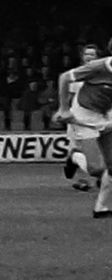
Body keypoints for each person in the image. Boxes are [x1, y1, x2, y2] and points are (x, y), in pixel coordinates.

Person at [54, 38, 112, 218]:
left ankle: (101, 209)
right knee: (97, 169)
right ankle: (75, 157)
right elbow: (64, 78)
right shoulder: (98, 67)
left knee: (111, 167)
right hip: (84, 116)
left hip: (105, 115)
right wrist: (63, 109)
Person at [59, 43, 100, 193]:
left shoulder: (104, 75)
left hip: (97, 118)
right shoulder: (76, 75)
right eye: (86, 54)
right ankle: (84, 180)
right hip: (78, 119)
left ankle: (93, 175)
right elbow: (68, 97)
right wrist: (65, 112)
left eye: (92, 54)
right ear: (82, 57)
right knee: (82, 149)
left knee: (98, 150)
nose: (89, 57)